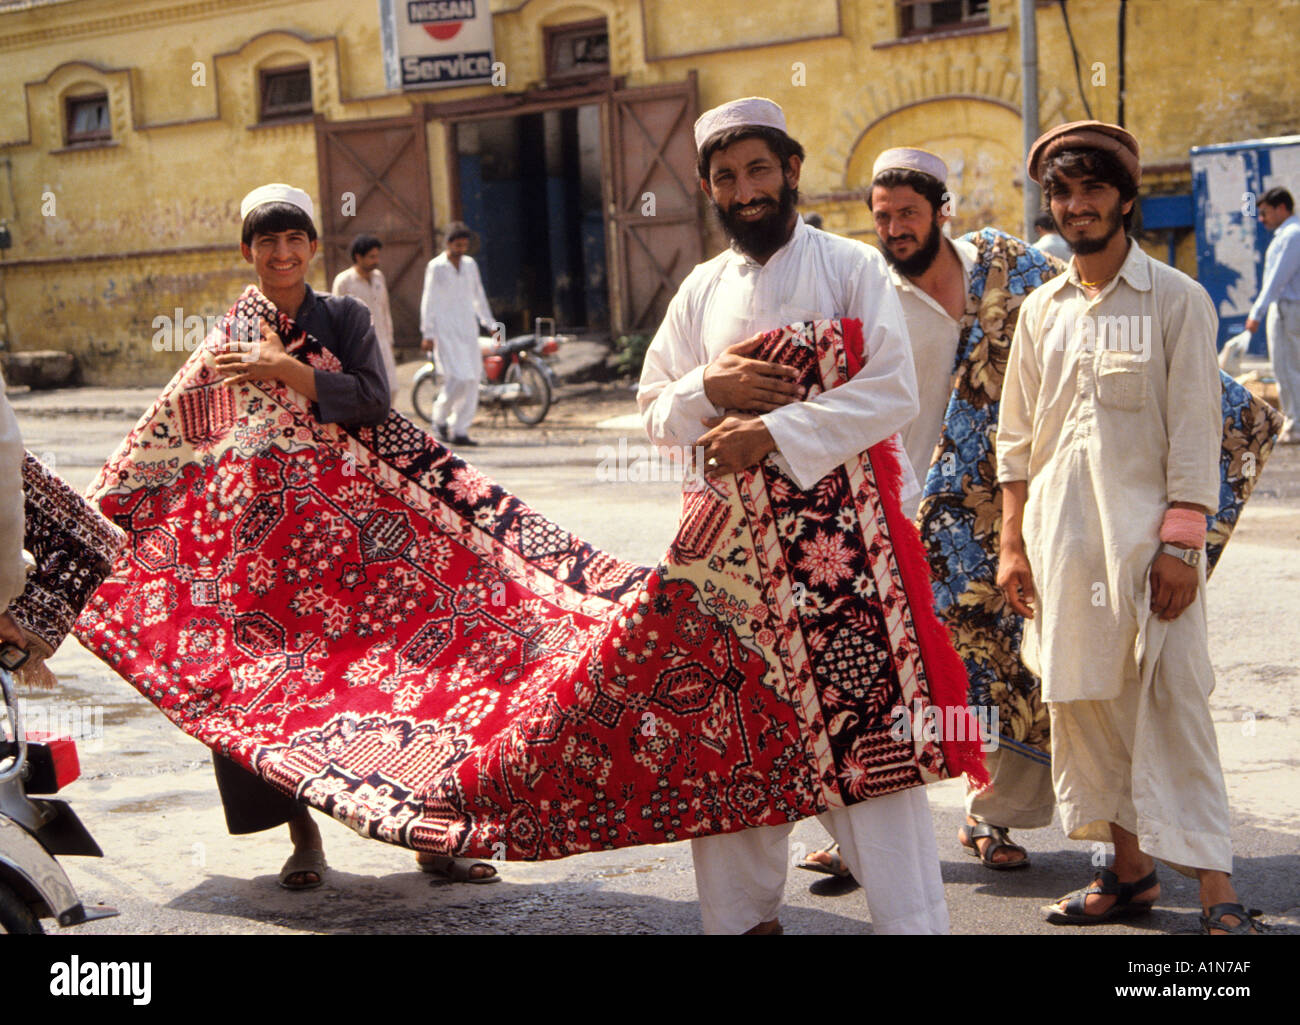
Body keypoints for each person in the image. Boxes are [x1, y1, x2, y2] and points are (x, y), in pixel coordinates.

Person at [639, 96, 952, 936]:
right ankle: (742, 922)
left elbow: (892, 388)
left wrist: (771, 429)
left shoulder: (852, 266)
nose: (746, 190)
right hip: (730, 562)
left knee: (872, 752)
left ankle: (912, 923)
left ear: (793, 172)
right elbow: (650, 407)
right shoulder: (701, 289)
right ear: (709, 187)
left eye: (759, 170)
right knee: (737, 744)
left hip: (843, 562)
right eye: (727, 176)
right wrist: (712, 389)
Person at [996, 122, 1261, 933]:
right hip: (1062, 546)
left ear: (1125, 198)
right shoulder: (1040, 310)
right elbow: (1016, 439)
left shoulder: (1177, 300)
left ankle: (1219, 897)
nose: (1078, 206)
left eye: (1093, 190)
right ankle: (1129, 873)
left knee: (1175, 703)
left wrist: (1183, 546)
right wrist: (1012, 542)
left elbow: (1194, 431)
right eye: (1064, 193)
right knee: (1084, 703)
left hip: (1151, 550)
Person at [212, 184, 497, 888]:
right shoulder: (229, 334)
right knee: (274, 692)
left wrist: (288, 370)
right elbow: (205, 432)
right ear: (248, 252)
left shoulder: (342, 317)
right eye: (267, 242)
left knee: (400, 683)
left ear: (312, 247)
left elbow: (374, 397)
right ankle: (304, 836)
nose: (281, 254)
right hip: (273, 538)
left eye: (293, 240)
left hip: (360, 534)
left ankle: (431, 836)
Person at [800, 149, 1064, 883]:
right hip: (898, 513)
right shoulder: (867, 293)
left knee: (1006, 664)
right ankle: (869, 835)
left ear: (941, 210)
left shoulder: (1009, 272)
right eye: (881, 217)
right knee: (891, 675)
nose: (893, 229)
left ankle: (993, 813)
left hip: (997, 510)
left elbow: (1077, 325)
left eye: (907, 214)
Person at [420, 223, 494, 447]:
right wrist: (428, 332)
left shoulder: (470, 265)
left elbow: (478, 296)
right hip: (445, 331)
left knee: (472, 380)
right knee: (457, 378)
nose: (462, 249)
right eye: (458, 245)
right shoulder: (436, 267)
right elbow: (428, 300)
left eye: (465, 245)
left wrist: (489, 323)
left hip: (468, 329)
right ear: (448, 244)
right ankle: (439, 418)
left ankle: (460, 429)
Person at [1244, 186, 1299, 443]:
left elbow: (1278, 279)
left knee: (1287, 367)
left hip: (1289, 308)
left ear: (1281, 208)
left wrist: (1257, 311)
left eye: (1265, 213)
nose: (1262, 219)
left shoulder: (1292, 235)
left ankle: (1296, 423)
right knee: (1286, 366)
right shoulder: (1287, 234)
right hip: (1286, 307)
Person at [332, 233, 398, 396]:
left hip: (382, 341)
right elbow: (337, 318)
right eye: (371, 257)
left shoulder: (378, 278)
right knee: (369, 391)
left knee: (392, 388)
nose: (376, 261)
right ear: (358, 257)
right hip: (359, 346)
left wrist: (389, 339)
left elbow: (384, 309)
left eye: (377, 256)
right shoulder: (344, 281)